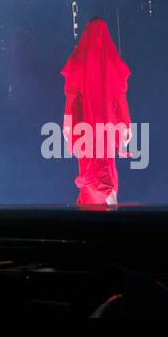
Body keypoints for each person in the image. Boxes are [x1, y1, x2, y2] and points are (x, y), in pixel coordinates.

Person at [61, 17, 131, 206]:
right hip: (106, 123)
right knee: (103, 165)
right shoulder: (111, 61)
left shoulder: (80, 61)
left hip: (86, 124)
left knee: (93, 164)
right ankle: (109, 203)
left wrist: (68, 126)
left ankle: (104, 205)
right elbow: (120, 97)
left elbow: (71, 96)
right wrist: (124, 126)